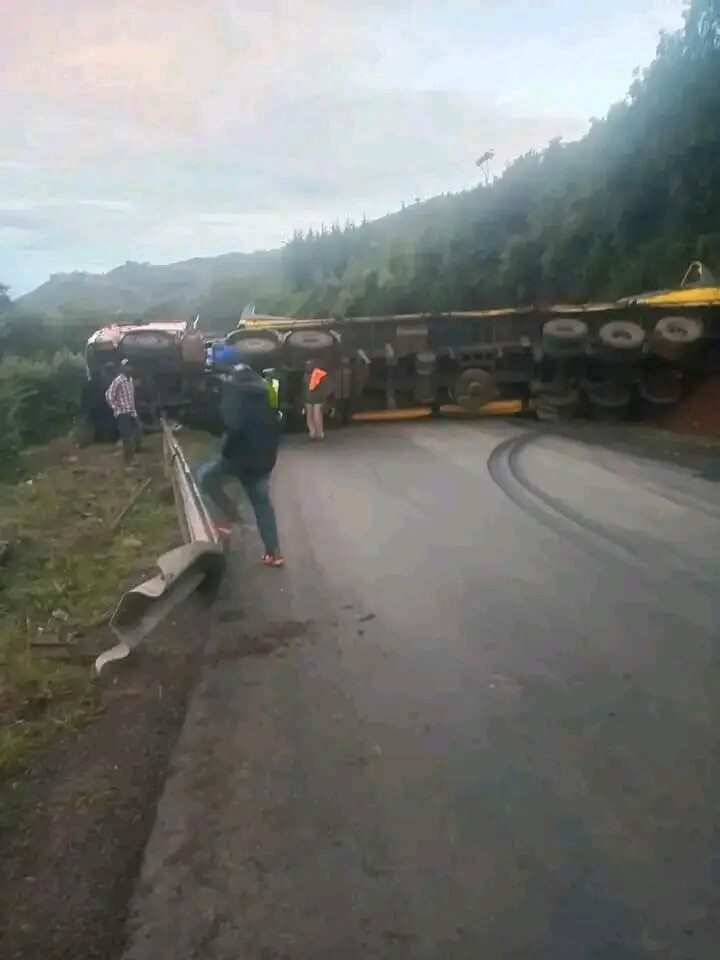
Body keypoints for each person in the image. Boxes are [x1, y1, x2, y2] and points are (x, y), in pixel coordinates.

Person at [197, 364, 284, 567]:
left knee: (206, 478)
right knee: (263, 506)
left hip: (239, 459)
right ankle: (274, 554)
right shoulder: (269, 394)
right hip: (263, 462)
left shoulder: (236, 394)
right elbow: (277, 426)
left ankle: (229, 516)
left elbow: (232, 427)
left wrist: (225, 453)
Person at [105, 359, 142, 463]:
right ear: (123, 368)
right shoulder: (118, 380)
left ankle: (133, 456)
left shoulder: (130, 380)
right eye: (127, 366)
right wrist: (116, 408)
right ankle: (129, 460)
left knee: (138, 431)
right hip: (123, 413)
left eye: (130, 366)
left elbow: (131, 397)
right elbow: (109, 395)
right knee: (127, 437)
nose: (129, 368)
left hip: (131, 411)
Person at [302, 358, 331, 439]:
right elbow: (304, 388)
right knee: (310, 416)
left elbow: (325, 387)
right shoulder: (307, 375)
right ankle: (313, 431)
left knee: (316, 416)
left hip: (317, 398)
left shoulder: (319, 374)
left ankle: (319, 431)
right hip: (309, 398)